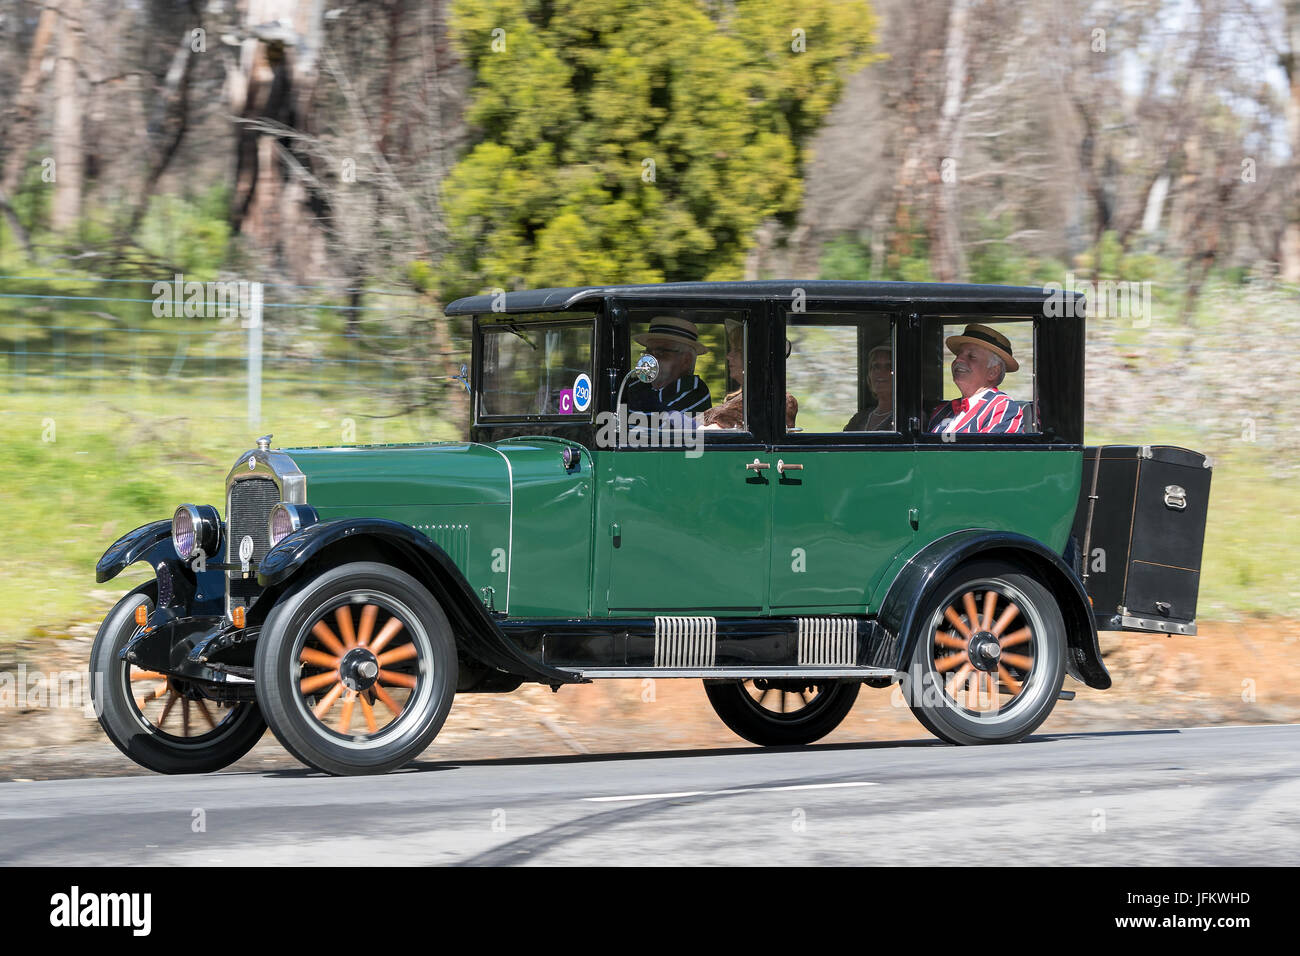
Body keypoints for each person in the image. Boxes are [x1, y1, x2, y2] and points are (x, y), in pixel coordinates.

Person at [927, 323, 1026, 435]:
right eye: (958, 355)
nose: (958, 360)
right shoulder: (942, 411)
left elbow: (988, 451)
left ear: (993, 372)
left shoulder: (1003, 408)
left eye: (971, 356)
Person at [699, 325, 798, 429]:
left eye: (736, 350)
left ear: (754, 358)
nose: (728, 356)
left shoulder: (775, 399)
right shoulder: (742, 398)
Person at [625, 315, 712, 417]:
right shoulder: (635, 383)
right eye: (648, 352)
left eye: (660, 352)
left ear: (686, 360)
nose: (649, 360)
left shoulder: (695, 390)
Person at [844, 343, 893, 431]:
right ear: (869, 376)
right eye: (876, 366)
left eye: (889, 367)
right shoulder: (859, 418)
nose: (880, 372)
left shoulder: (908, 419)